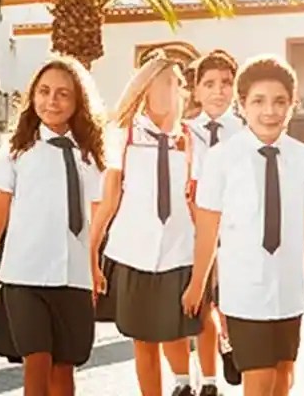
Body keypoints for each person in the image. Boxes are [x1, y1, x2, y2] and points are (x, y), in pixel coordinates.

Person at [183, 55, 304, 396]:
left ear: (292, 105)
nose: (269, 111)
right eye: (258, 101)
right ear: (242, 106)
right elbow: (208, 227)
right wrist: (198, 284)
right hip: (244, 290)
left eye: (279, 101)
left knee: (284, 376)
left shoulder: (303, 158)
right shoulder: (223, 158)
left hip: (288, 288)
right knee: (259, 378)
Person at [0, 56, 106, 396]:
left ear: (78, 102)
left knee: (64, 367)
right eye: (44, 91)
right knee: (38, 359)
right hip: (24, 276)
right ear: (32, 97)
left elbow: (95, 217)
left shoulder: (89, 156)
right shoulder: (17, 150)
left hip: (73, 277)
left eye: (63, 94)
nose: (52, 100)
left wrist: (94, 267)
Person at [89, 52, 217, 396]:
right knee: (143, 342)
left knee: (176, 331)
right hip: (133, 255)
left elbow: (204, 211)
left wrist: (204, 274)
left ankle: (183, 384)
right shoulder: (123, 137)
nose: (172, 91)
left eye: (176, 84)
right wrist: (91, 260)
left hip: (179, 254)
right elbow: (106, 205)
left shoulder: (195, 141)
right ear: (145, 88)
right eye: (162, 83)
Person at [185, 49, 245, 385]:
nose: (218, 90)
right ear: (196, 91)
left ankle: (229, 342)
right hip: (193, 230)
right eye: (209, 83)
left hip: (234, 231)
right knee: (201, 306)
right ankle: (207, 381)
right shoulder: (185, 133)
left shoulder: (244, 131)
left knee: (228, 301)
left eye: (226, 83)